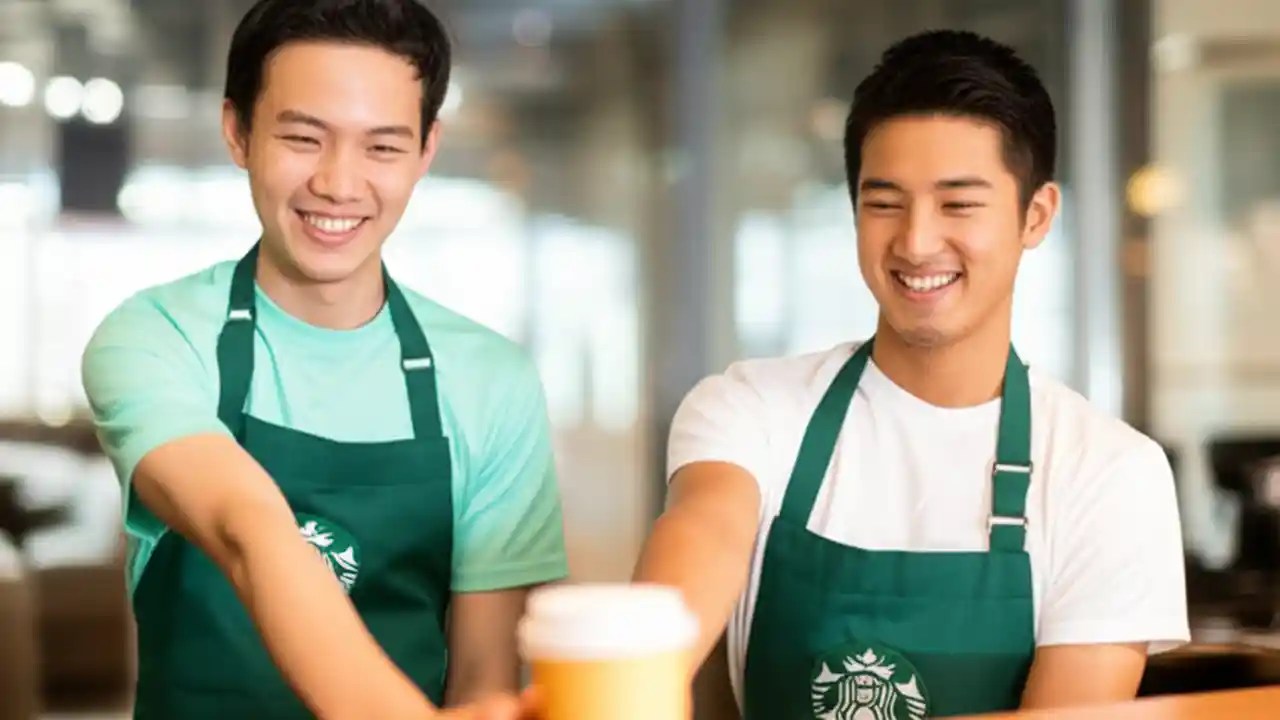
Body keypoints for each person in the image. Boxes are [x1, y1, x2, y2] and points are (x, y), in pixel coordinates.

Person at [634, 30, 1190, 719]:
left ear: (1036, 215)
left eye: (958, 204)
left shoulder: (1109, 472)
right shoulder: (751, 409)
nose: (917, 241)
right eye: (885, 202)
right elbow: (700, 541)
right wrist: (620, 679)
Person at [81, 1, 565, 718]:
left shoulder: (492, 383)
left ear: (427, 151)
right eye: (305, 137)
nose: (339, 184)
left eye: (382, 148)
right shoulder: (155, 338)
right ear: (238, 131)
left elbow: (483, 677)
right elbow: (248, 529)